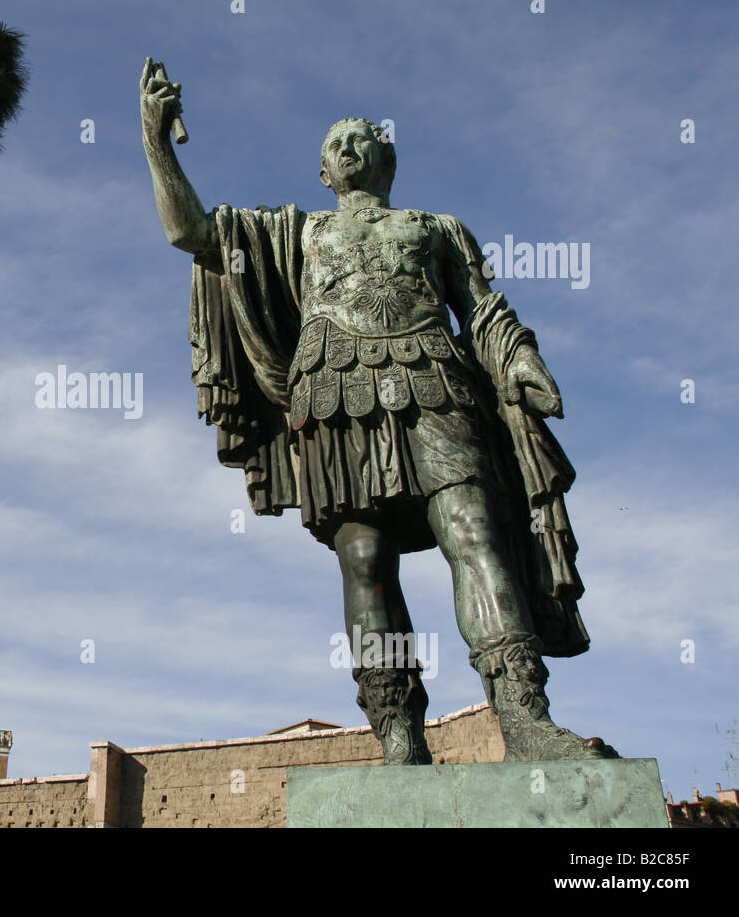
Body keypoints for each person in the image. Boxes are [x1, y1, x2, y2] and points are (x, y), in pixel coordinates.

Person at [140, 57, 616, 763]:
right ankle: (398, 734)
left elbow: (483, 313)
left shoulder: (437, 228)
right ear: (324, 175)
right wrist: (155, 141)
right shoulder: (295, 233)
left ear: (387, 158)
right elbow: (193, 234)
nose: (348, 148)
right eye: (335, 145)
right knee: (364, 558)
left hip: (437, 384)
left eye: (361, 138)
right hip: (333, 397)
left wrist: (517, 357)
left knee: (473, 530)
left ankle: (523, 716)